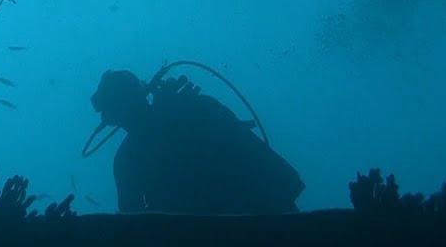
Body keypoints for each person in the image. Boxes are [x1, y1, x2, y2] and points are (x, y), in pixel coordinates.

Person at [88, 69, 305, 215]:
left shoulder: (127, 159)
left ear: (111, 119)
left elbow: (131, 229)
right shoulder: (196, 106)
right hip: (266, 214)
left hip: (214, 245)